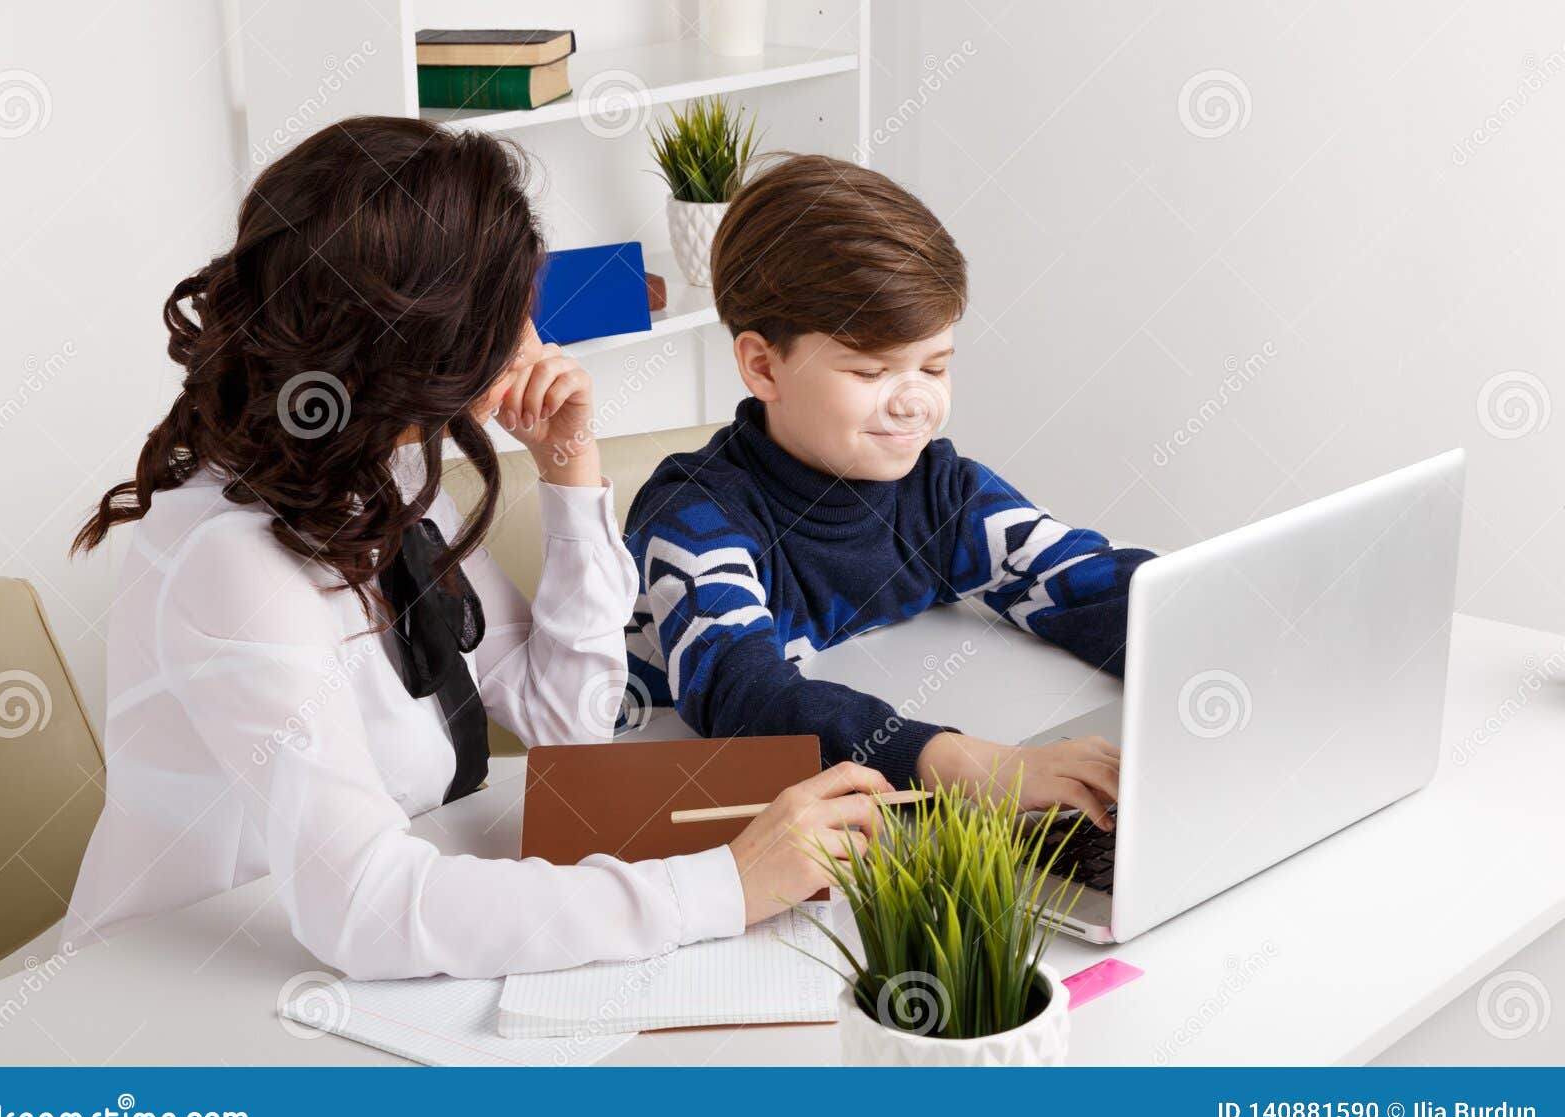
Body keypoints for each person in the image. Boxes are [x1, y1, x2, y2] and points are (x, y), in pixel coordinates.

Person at [62, 118, 888, 981]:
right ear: (413, 350)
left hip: (319, 973)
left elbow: (565, 723)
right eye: (505, 318)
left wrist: (569, 470)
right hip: (168, 998)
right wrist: (722, 887)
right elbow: (368, 908)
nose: (528, 346)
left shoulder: (374, 470)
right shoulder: (231, 563)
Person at [624, 154, 1155, 831]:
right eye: (871, 370)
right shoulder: (694, 514)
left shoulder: (938, 490)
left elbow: (1079, 577)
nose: (914, 402)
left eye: (935, 366)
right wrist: (978, 767)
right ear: (764, 366)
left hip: (858, 806)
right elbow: (748, 698)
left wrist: (1219, 633)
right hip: (668, 817)